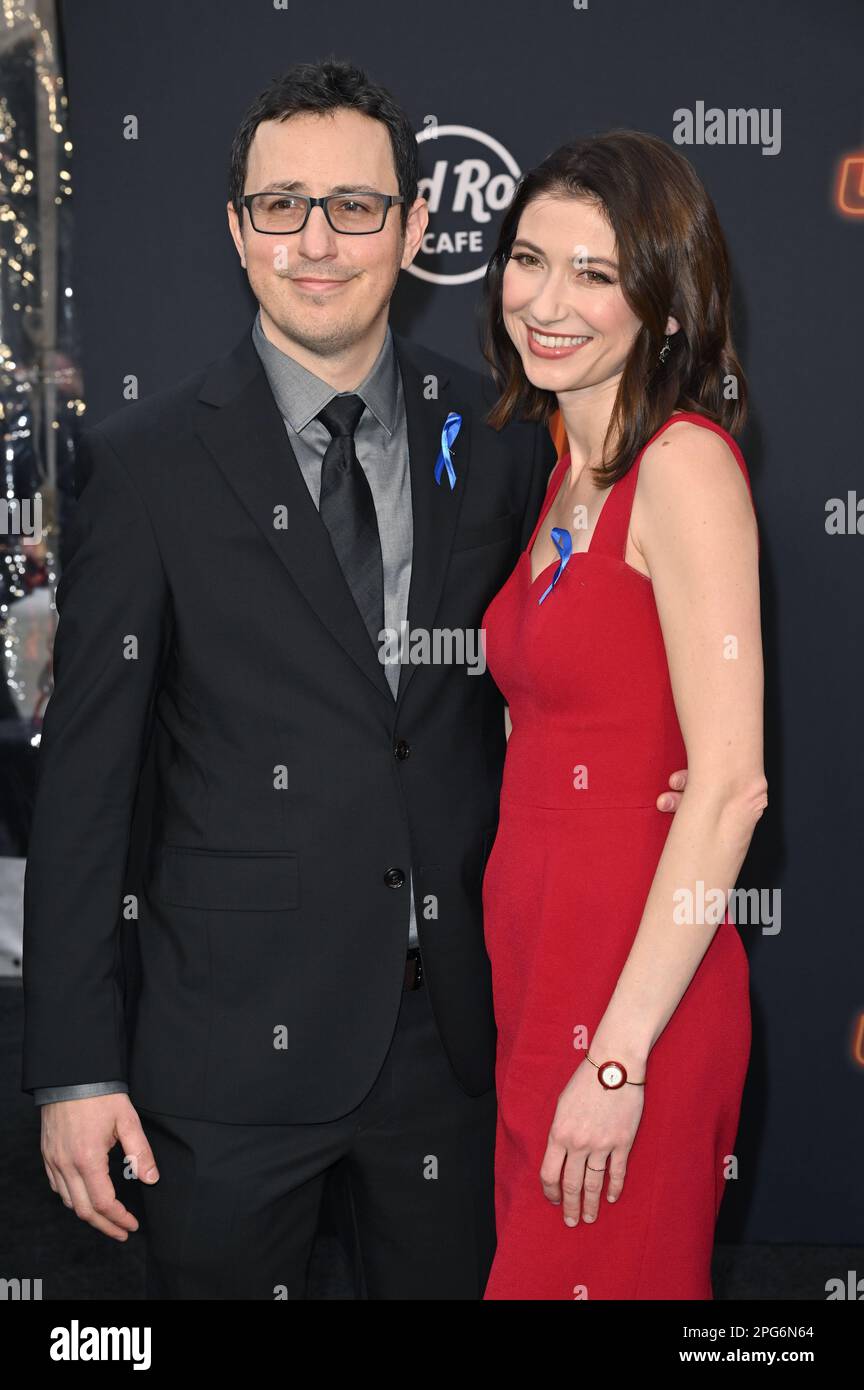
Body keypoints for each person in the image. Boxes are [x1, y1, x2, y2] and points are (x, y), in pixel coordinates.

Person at [21, 63, 688, 1299]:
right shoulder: (144, 461)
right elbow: (87, 786)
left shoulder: (498, 440)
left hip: (456, 1045)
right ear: (235, 229)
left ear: (415, 230)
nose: (316, 241)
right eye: (281, 206)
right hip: (222, 1057)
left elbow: (565, 683)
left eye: (356, 206)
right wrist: (73, 1067)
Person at [479, 129, 764, 1300]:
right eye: (529, 260)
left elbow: (735, 782)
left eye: (595, 275)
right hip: (540, 971)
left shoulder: (683, 467)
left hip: (631, 994)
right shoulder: (566, 464)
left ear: (666, 302)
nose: (546, 302)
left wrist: (615, 1060)